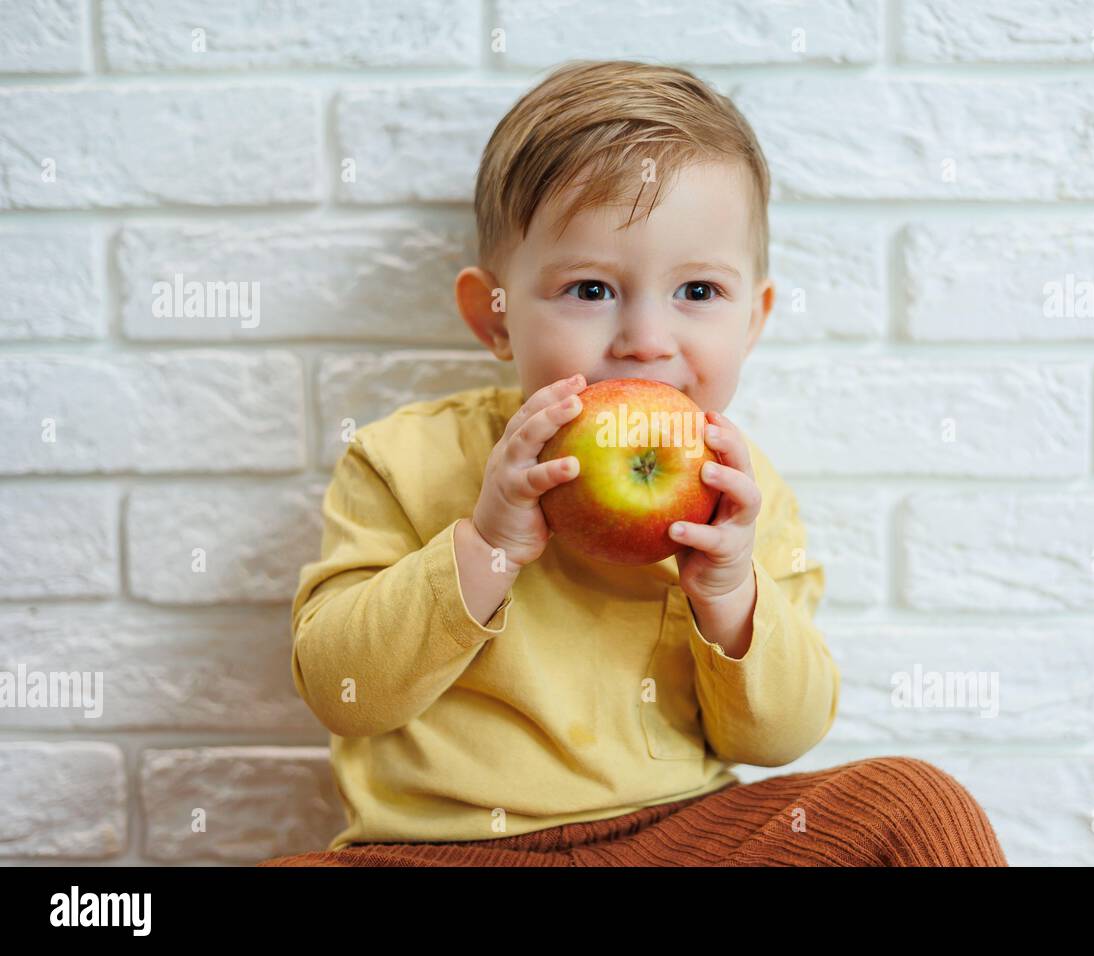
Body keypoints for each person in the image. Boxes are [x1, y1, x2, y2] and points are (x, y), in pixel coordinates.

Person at [258, 60, 1007, 867]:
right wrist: (487, 547)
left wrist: (730, 595)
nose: (645, 339)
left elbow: (781, 737)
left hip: (680, 837)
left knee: (913, 807)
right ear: (495, 318)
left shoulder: (738, 492)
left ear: (751, 321)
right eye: (588, 290)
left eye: (696, 292)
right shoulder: (403, 460)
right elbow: (345, 693)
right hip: (437, 851)